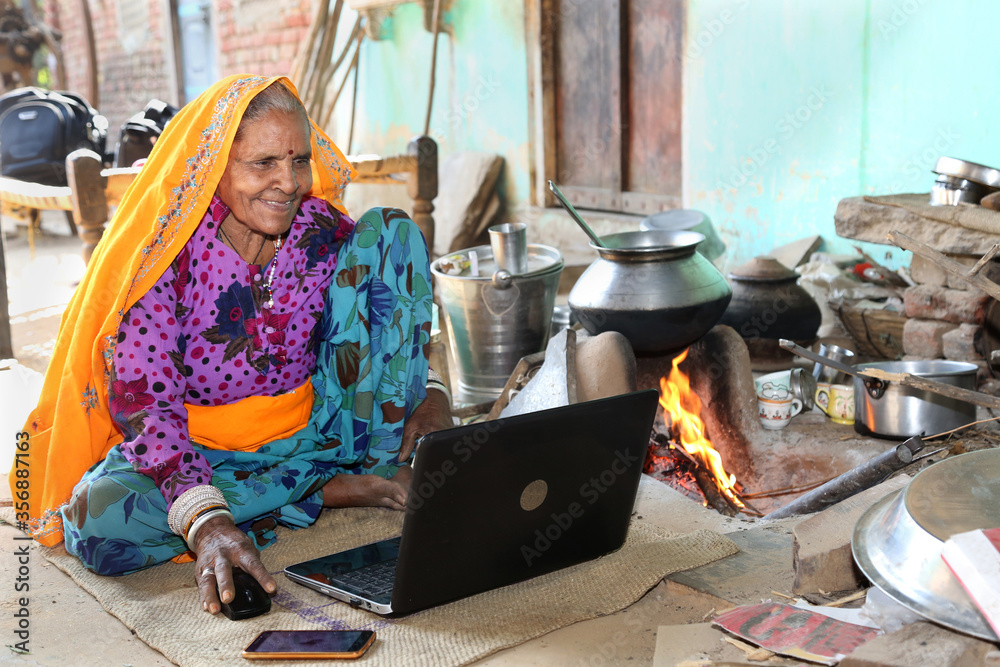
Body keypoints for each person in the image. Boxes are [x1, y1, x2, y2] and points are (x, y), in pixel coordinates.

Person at [11, 75, 452, 616]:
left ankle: (320, 478)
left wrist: (433, 393)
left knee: (390, 232)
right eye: (262, 163)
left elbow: (395, 316)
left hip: (318, 433)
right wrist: (207, 521)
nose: (287, 183)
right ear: (216, 163)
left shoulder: (317, 230)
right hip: (205, 455)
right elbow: (146, 404)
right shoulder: (169, 254)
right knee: (99, 518)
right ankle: (322, 491)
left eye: (298, 161)